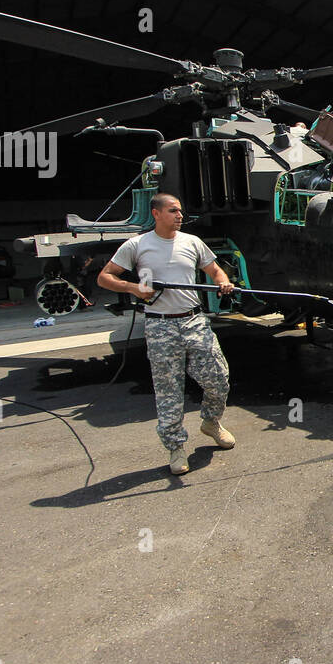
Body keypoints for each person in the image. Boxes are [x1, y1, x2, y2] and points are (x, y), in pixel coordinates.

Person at [97, 194, 237, 475]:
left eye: (181, 211)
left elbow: (214, 269)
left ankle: (211, 422)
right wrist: (134, 289)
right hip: (160, 325)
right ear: (156, 213)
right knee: (169, 392)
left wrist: (223, 282)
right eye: (173, 211)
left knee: (219, 379)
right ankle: (175, 448)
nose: (180, 215)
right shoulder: (137, 245)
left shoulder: (192, 242)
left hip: (194, 321)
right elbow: (105, 277)